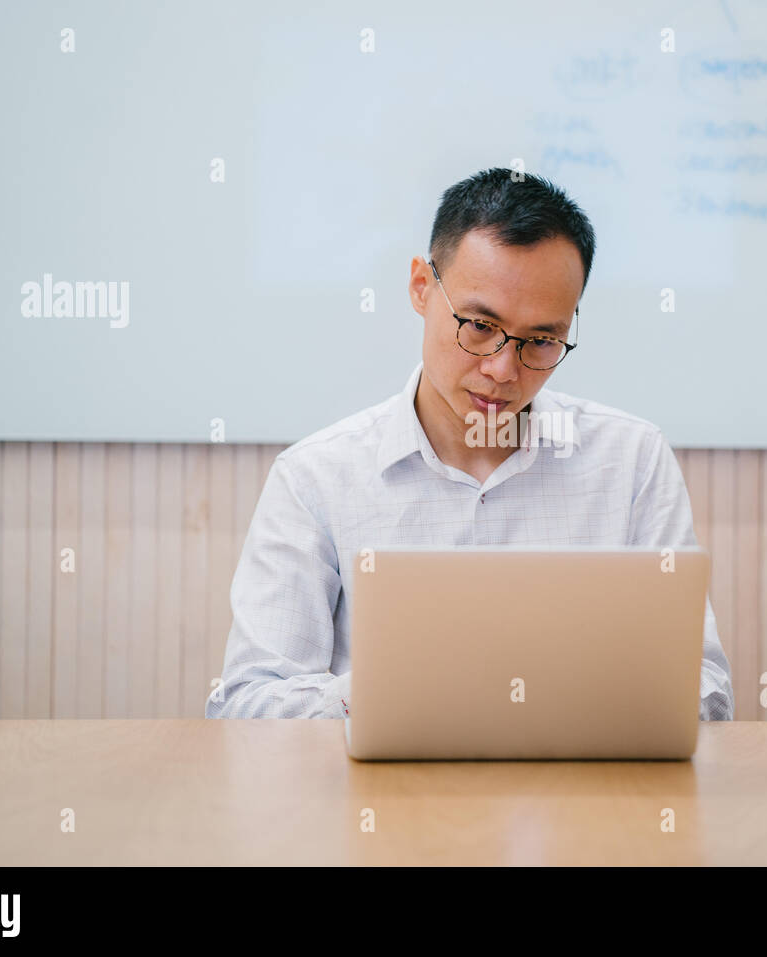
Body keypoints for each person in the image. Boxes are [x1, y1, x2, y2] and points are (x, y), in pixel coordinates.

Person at [206, 168, 734, 720]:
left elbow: (707, 692)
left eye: (542, 340)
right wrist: (392, 690)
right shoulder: (315, 477)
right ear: (420, 287)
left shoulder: (632, 461)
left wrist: (596, 695)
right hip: (380, 801)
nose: (503, 370)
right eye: (479, 327)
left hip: (582, 797)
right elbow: (244, 704)